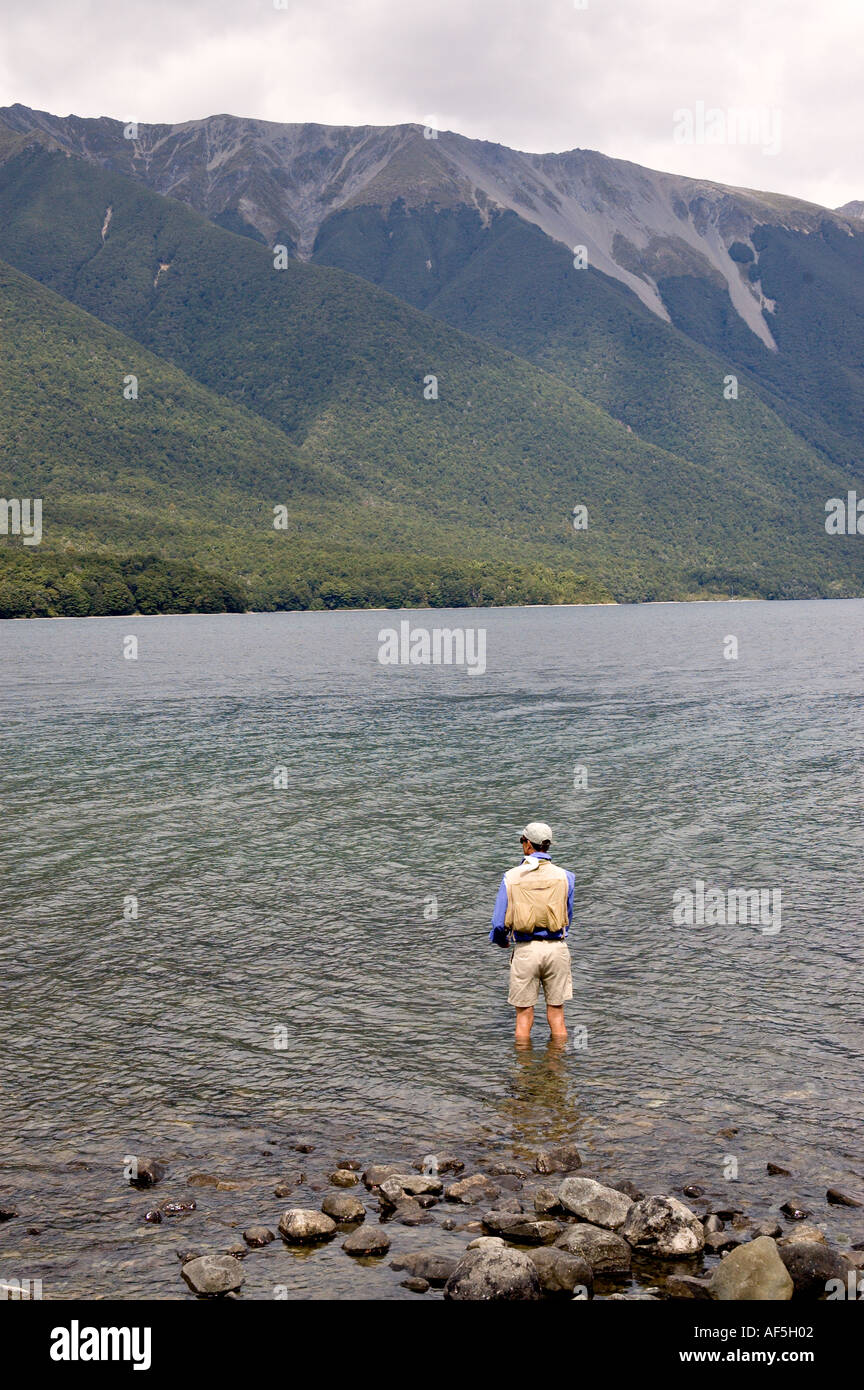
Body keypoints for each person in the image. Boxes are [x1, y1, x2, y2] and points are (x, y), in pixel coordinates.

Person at [489, 821, 575, 1044]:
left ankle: (524, 1073)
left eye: (522, 841)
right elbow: (569, 916)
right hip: (557, 950)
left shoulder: (511, 877)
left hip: (526, 951)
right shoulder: (566, 877)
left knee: (523, 1018)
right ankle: (557, 1070)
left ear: (528, 845)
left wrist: (501, 941)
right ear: (547, 846)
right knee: (557, 1015)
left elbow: (499, 924)